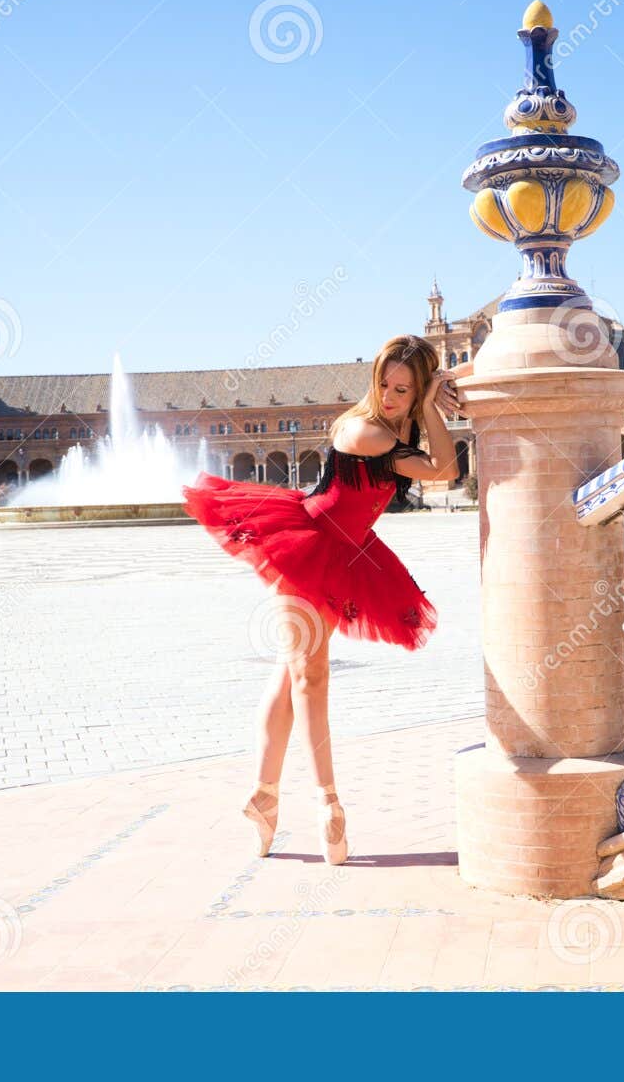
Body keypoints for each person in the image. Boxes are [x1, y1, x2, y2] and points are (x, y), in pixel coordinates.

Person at [181, 335, 463, 865]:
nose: (389, 394)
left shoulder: (400, 426)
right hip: (307, 547)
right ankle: (328, 805)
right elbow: (438, 467)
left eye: (403, 387)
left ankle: (262, 798)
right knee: (312, 674)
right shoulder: (364, 430)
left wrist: (431, 402)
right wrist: (431, 397)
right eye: (384, 381)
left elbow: (447, 470)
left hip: (351, 555)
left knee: (292, 675)